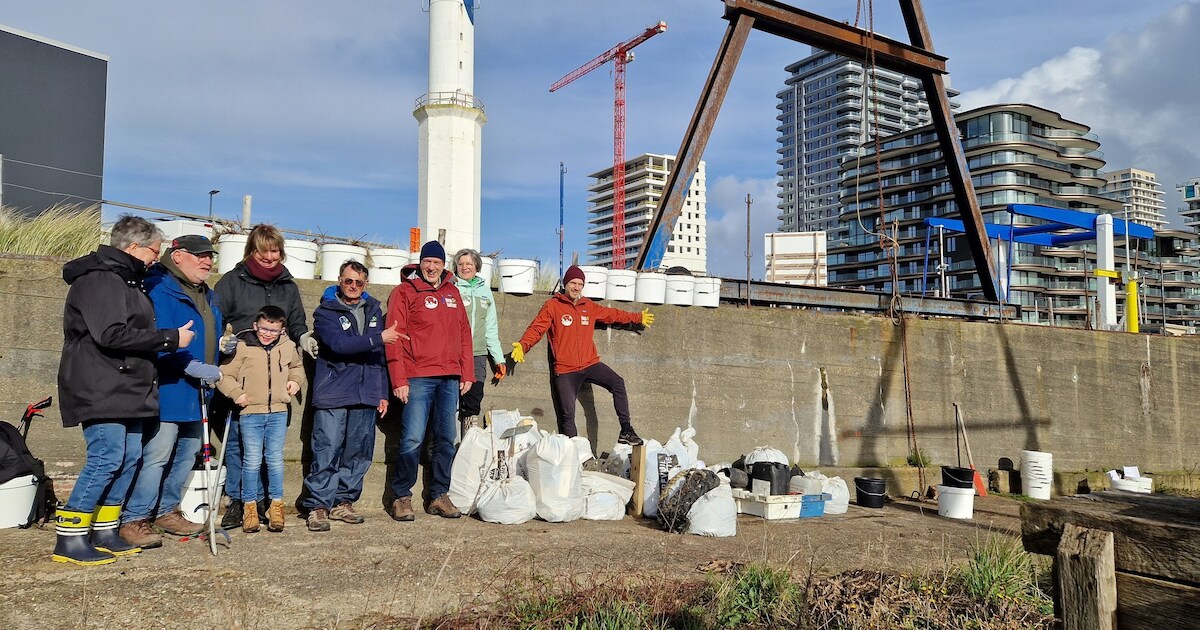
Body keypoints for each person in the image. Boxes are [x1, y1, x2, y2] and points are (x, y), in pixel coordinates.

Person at [54, 215, 195, 565]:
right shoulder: (101, 279)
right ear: (133, 247)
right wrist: (170, 339)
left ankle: (105, 531)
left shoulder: (128, 280)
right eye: (154, 251)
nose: (156, 258)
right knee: (106, 458)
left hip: (127, 386)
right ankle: (70, 538)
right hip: (101, 385)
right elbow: (110, 334)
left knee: (130, 457)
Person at [120, 234, 223, 549]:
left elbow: (209, 332)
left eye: (210, 256)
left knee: (187, 454)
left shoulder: (208, 294)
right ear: (177, 255)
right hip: (168, 388)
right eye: (199, 255)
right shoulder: (159, 287)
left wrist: (222, 347)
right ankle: (134, 517)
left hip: (199, 392)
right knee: (157, 454)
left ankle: (166, 511)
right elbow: (157, 336)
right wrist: (188, 365)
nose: (207, 261)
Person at [213, 224, 313, 529]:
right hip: (242, 368)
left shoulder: (288, 286)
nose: (270, 258)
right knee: (237, 443)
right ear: (252, 252)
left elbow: (296, 321)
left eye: (275, 253)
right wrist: (221, 341)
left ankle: (269, 501)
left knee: (271, 450)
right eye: (263, 253)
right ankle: (240, 501)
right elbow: (216, 317)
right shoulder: (232, 281)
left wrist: (303, 337)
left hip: (275, 377)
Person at [301, 261, 399, 532]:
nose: (353, 286)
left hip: (365, 392)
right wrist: (378, 338)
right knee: (327, 449)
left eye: (358, 282)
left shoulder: (373, 310)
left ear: (365, 284)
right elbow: (339, 345)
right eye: (348, 281)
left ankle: (343, 502)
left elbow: (378, 356)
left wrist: (381, 392)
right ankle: (318, 505)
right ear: (339, 281)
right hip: (333, 391)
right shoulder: (325, 312)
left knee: (358, 452)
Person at [511, 264, 654, 446]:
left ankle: (626, 430)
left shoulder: (588, 306)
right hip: (565, 370)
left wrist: (637, 318)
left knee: (617, 383)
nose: (576, 287)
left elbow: (612, 315)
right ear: (565, 284)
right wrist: (523, 345)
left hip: (590, 364)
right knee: (567, 414)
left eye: (580, 284)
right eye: (573, 283)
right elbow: (537, 328)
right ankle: (572, 452)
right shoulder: (552, 306)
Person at [384, 240, 473, 522]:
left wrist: (467, 372)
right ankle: (401, 496)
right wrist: (398, 378)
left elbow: (464, 334)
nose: (432, 267)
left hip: (449, 377)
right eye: (427, 262)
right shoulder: (404, 292)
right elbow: (394, 338)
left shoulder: (453, 293)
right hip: (417, 376)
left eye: (437, 262)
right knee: (412, 437)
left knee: (446, 438)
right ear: (420, 263)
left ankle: (438, 495)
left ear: (444, 265)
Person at [216, 305, 306, 533]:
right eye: (264, 329)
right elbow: (224, 375)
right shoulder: (242, 346)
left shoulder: (287, 346)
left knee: (275, 460)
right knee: (252, 460)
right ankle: (250, 508)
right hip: (250, 413)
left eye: (273, 331)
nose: (267, 334)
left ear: (282, 330)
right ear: (255, 326)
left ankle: (276, 506)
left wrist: (295, 381)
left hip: (278, 412)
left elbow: (297, 367)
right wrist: (237, 393)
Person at [452, 248, 505, 435]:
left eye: (469, 264)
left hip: (477, 355)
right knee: (449, 402)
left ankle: (469, 441)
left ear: (477, 266)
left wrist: (498, 358)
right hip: (453, 354)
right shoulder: (451, 287)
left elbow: (491, 327)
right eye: (460, 264)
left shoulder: (485, 291)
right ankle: (447, 445)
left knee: (473, 400)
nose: (465, 267)